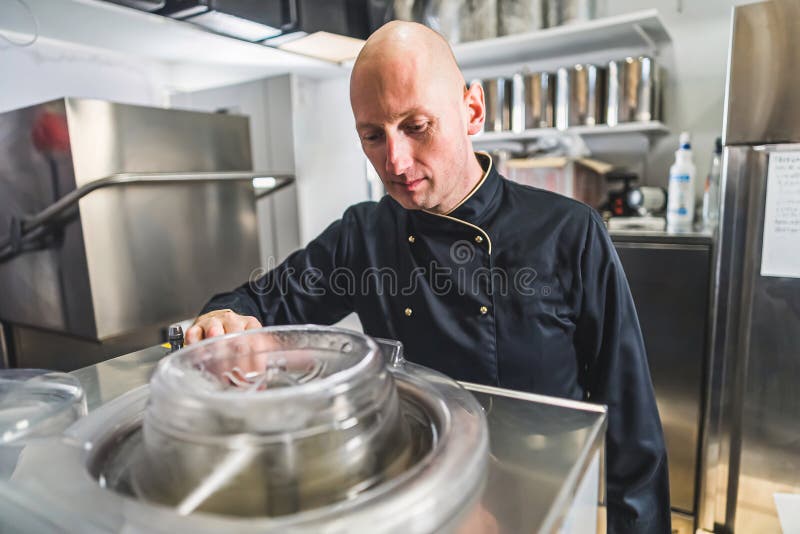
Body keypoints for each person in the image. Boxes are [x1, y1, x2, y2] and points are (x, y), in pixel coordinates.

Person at [186, 21, 670, 533]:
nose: (394, 160)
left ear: (472, 111)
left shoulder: (569, 232)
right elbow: (258, 302)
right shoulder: (364, 234)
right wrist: (225, 318)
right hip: (419, 500)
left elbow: (630, 421)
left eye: (415, 126)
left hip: (544, 502)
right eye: (373, 136)